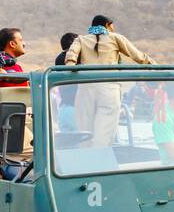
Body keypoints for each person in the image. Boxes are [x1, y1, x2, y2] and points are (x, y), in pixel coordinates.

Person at [64, 15, 155, 146]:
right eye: (112, 25)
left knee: (85, 131)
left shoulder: (81, 40)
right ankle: (101, 156)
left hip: (86, 89)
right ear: (107, 25)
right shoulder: (116, 38)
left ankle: (86, 157)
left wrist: (70, 73)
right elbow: (138, 56)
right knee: (105, 132)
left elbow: (70, 58)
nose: (113, 28)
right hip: (109, 89)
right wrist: (156, 67)